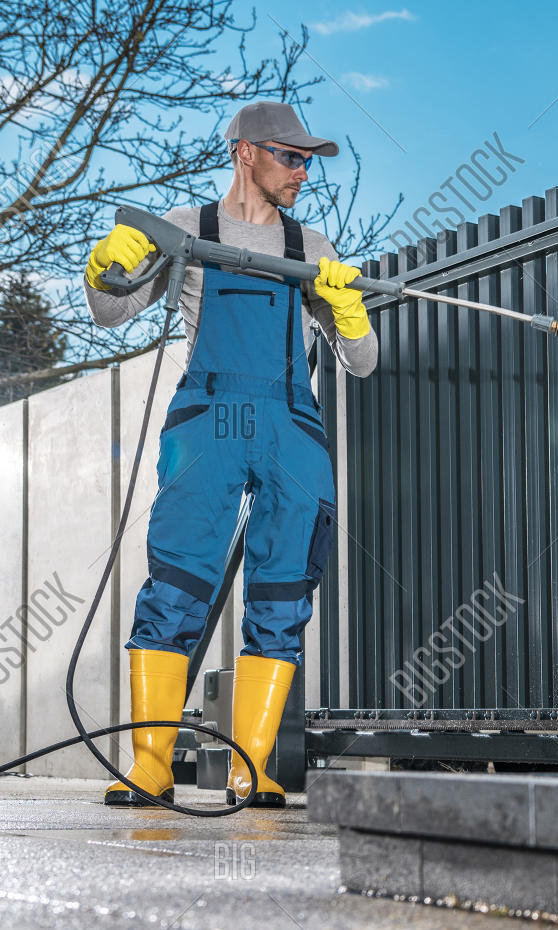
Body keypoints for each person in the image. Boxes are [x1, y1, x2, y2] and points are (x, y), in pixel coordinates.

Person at [82, 101, 377, 807]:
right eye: (290, 157)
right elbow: (110, 311)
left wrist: (348, 313)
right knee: (176, 586)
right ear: (246, 151)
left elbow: (362, 363)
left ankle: (252, 769)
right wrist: (104, 265)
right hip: (208, 422)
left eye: (307, 161)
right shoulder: (187, 229)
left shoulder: (312, 245)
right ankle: (152, 765)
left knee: (282, 595)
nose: (302, 172)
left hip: (289, 425)